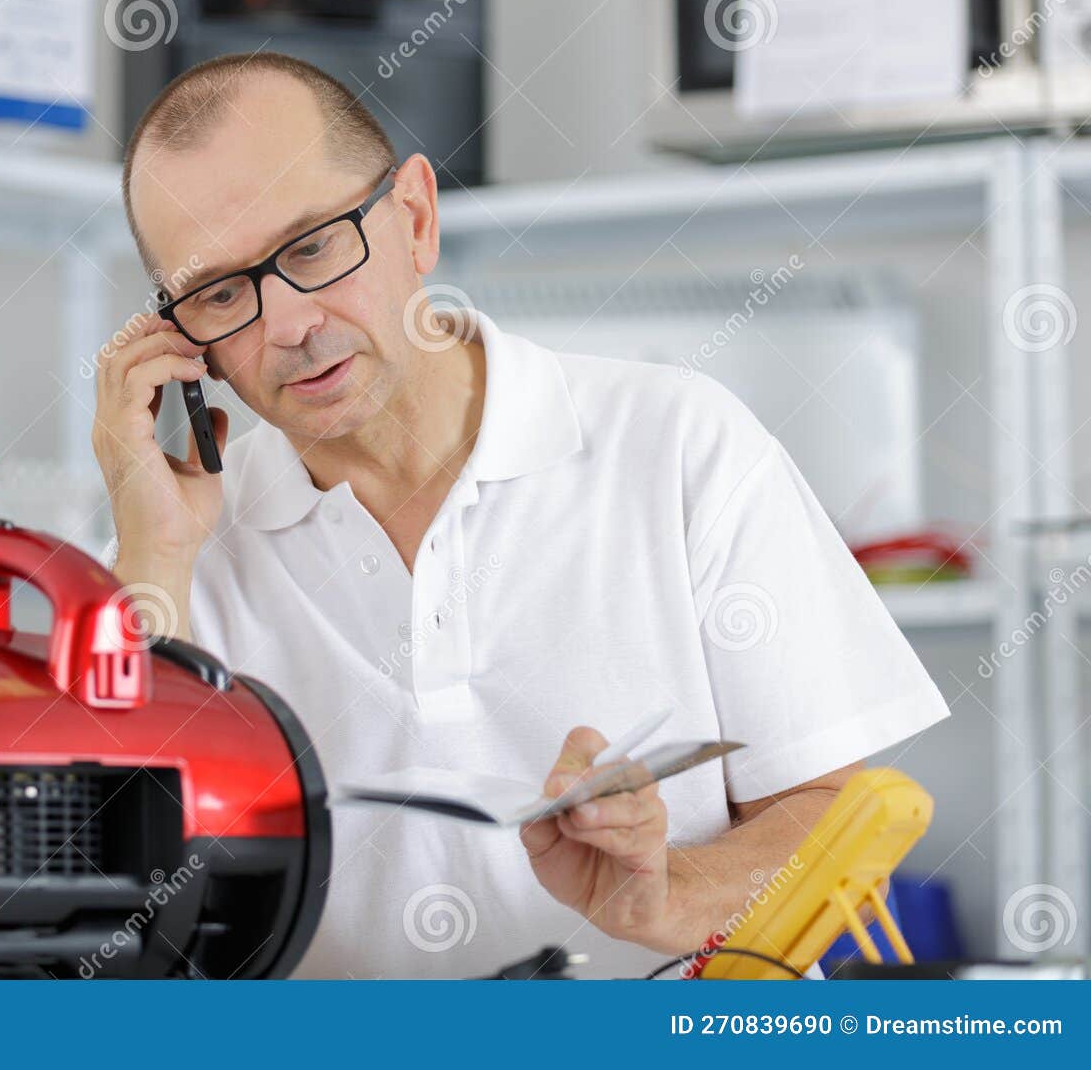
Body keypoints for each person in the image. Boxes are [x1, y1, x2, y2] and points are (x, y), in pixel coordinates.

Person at [92, 52, 950, 978]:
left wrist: (669, 894)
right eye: (222, 294)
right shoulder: (173, 547)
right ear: (184, 342)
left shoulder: (677, 442)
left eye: (313, 247)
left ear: (413, 218)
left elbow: (836, 808)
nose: (290, 323)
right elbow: (114, 900)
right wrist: (155, 551)